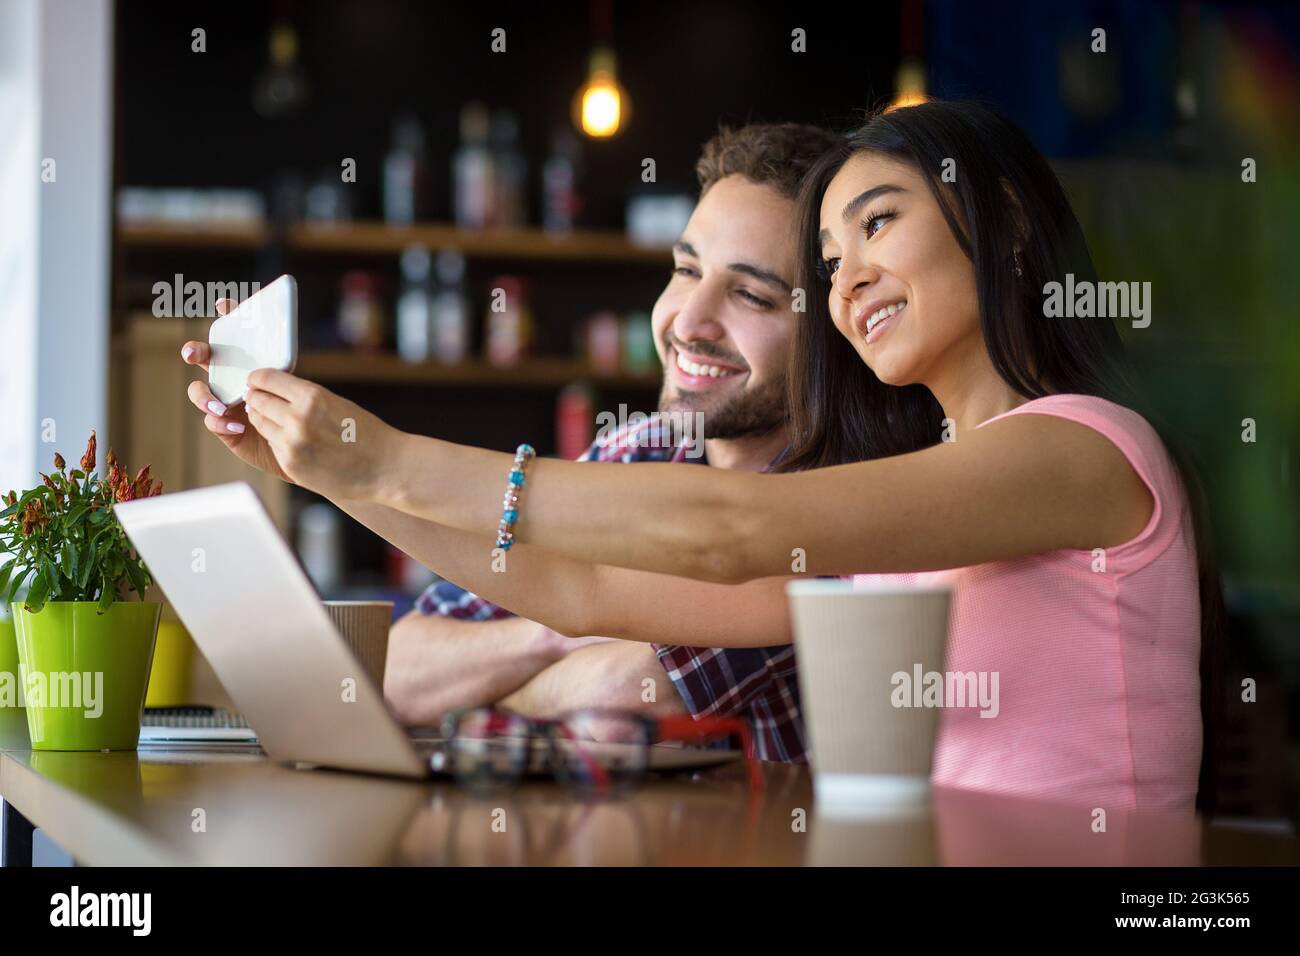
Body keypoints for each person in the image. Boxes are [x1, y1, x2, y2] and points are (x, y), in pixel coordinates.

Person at [184, 101, 1220, 811]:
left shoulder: (1080, 448)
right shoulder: (925, 502)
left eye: (877, 225)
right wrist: (331, 473)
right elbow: (581, 588)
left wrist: (390, 456)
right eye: (827, 259)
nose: (848, 276)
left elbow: (730, 531)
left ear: (995, 221)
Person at [182, 122, 841, 763]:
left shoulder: (839, 513)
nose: (689, 321)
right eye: (685, 270)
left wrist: (500, 669)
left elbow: (629, 693)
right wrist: (553, 634)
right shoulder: (639, 450)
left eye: (752, 296)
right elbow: (392, 671)